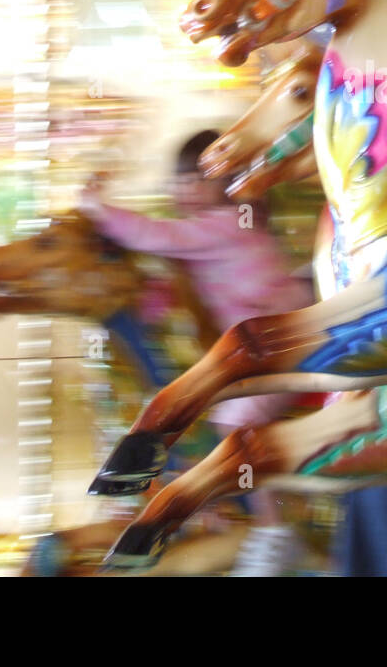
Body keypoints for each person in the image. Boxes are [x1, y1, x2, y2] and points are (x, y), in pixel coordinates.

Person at [80, 129, 316, 575]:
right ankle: (221, 514)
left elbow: (158, 236)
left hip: (283, 342)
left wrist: (98, 209)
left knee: (233, 422)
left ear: (227, 185)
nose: (184, 190)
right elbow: (173, 286)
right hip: (256, 341)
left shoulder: (225, 224)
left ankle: (274, 530)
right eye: (179, 181)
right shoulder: (212, 231)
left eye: (198, 180)